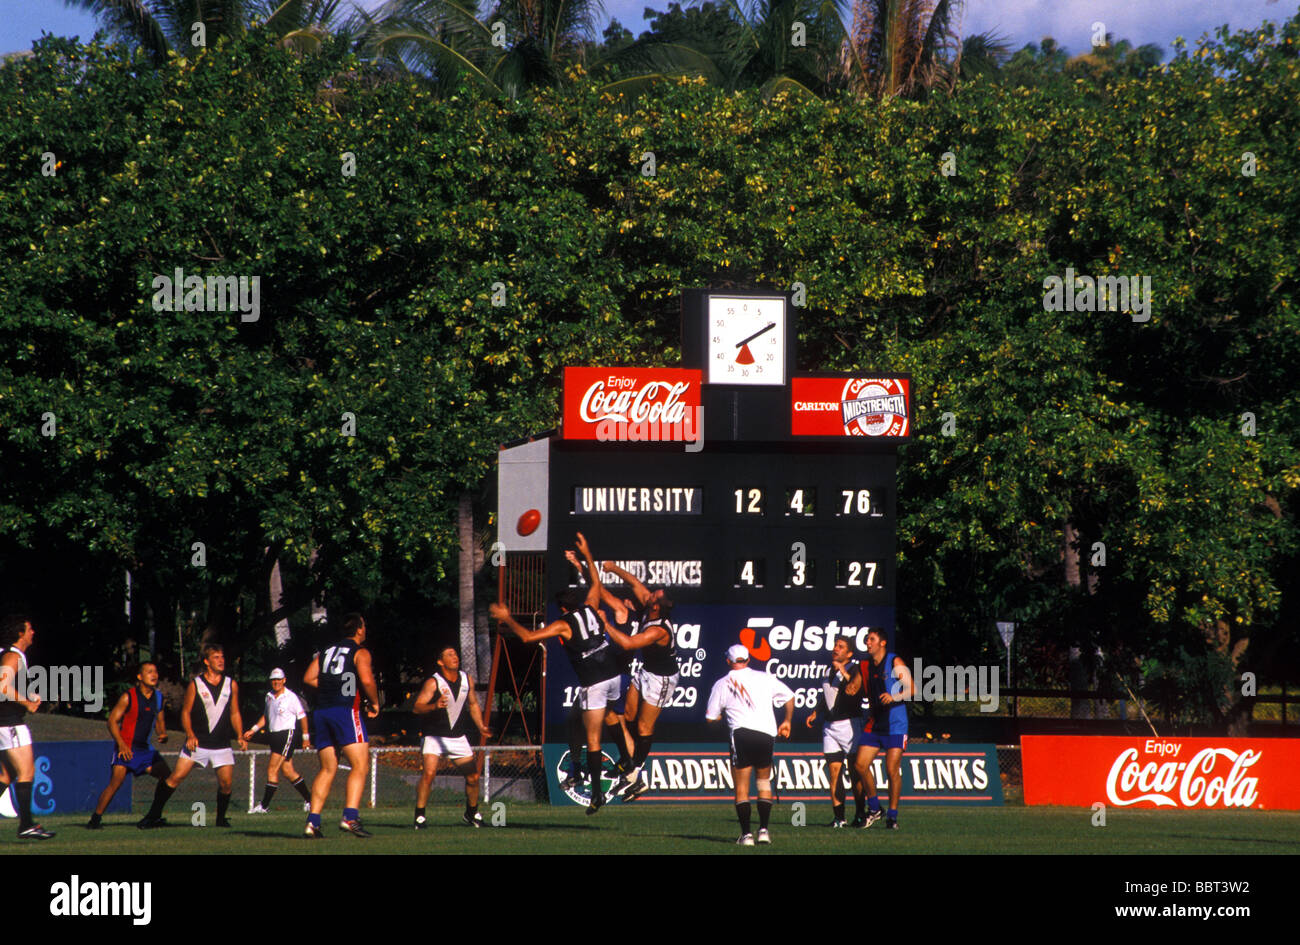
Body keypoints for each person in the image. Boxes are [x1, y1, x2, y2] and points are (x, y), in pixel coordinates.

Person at [490, 532, 622, 814]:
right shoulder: (592, 606)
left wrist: (506, 618)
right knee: (576, 718)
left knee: (594, 737)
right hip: (614, 675)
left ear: (563, 608)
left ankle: (597, 792)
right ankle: (580, 768)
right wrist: (586, 553)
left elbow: (527, 637)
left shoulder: (564, 624)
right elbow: (596, 581)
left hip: (595, 681)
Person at [138, 642, 247, 828]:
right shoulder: (196, 684)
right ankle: (152, 815)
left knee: (226, 784)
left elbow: (235, 712)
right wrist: (189, 734)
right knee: (175, 777)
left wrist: (240, 735)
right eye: (216, 657)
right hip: (198, 743)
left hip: (221, 744)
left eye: (222, 657)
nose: (221, 661)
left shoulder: (231, 684)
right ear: (206, 661)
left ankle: (221, 819)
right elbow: (186, 712)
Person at [597, 565, 681, 802]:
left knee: (644, 727)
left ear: (656, 605)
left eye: (654, 594)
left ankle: (635, 772)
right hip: (646, 671)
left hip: (662, 679)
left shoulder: (659, 629)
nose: (649, 592)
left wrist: (605, 626)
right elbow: (634, 582)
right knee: (629, 715)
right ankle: (630, 764)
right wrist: (613, 568)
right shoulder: (650, 607)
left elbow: (627, 644)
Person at [705, 644, 794, 846]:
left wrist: (720, 717)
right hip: (766, 735)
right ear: (748, 659)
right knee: (763, 782)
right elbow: (789, 696)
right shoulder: (765, 678)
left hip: (741, 734)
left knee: (742, 787)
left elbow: (710, 717)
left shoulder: (722, 683)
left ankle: (746, 835)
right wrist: (787, 720)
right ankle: (763, 831)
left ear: (728, 661)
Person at [303, 613, 381, 839]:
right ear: (358, 630)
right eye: (364, 626)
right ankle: (349, 816)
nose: (365, 630)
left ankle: (313, 822)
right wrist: (375, 702)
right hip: (345, 711)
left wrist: (330, 687)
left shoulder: (326, 651)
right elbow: (366, 680)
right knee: (360, 765)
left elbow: (308, 678)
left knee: (327, 769)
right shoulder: (360, 651)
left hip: (321, 712)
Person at [412, 646, 491, 829]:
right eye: (449, 654)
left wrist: (480, 726)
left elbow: (472, 704)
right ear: (441, 662)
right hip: (434, 736)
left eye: (455, 653)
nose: (454, 657)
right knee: (429, 774)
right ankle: (420, 816)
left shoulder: (466, 679)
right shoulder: (433, 682)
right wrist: (434, 706)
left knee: (473, 777)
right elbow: (417, 707)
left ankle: (471, 814)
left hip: (458, 737)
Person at [87, 660, 169, 828]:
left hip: (145, 751)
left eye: (155, 672)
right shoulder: (128, 697)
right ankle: (95, 819)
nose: (154, 675)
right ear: (140, 676)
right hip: (126, 749)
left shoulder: (159, 697)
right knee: (115, 784)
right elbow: (111, 722)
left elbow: (160, 719)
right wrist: (122, 745)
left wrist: (162, 733)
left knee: (168, 777)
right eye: (149, 672)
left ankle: (154, 816)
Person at [852, 629, 914, 830]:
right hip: (875, 723)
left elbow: (912, 688)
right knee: (860, 765)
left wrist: (893, 696)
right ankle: (875, 807)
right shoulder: (866, 666)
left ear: (883, 642)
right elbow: (856, 686)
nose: (868, 643)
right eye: (867, 640)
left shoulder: (894, 661)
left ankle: (893, 816)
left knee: (891, 770)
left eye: (872, 639)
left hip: (895, 724)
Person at [0, 614, 54, 839]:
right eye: (29, 629)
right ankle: (26, 825)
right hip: (9, 723)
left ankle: (27, 824)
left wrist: (27, 696)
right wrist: (27, 703)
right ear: (20, 633)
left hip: (5, 723)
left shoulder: (13, 655)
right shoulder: (13, 656)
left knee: (6, 776)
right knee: (26, 772)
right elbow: (2, 687)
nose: (33, 633)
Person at [804, 636, 863, 827]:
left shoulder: (855, 669)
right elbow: (827, 695)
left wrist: (844, 672)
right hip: (829, 727)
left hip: (849, 724)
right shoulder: (828, 670)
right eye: (835, 646)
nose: (836, 649)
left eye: (841, 647)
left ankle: (861, 814)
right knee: (834, 772)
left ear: (850, 653)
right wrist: (815, 712)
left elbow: (854, 690)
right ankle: (839, 817)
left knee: (855, 773)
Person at [243, 668, 312, 813]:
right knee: (288, 771)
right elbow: (266, 717)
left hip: (286, 734)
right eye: (273, 680)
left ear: (284, 680)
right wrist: (253, 730)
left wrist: (306, 737)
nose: (276, 682)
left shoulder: (291, 697)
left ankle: (264, 806)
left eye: (279, 679)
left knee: (272, 769)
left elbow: (302, 717)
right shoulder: (269, 696)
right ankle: (310, 800)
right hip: (274, 736)